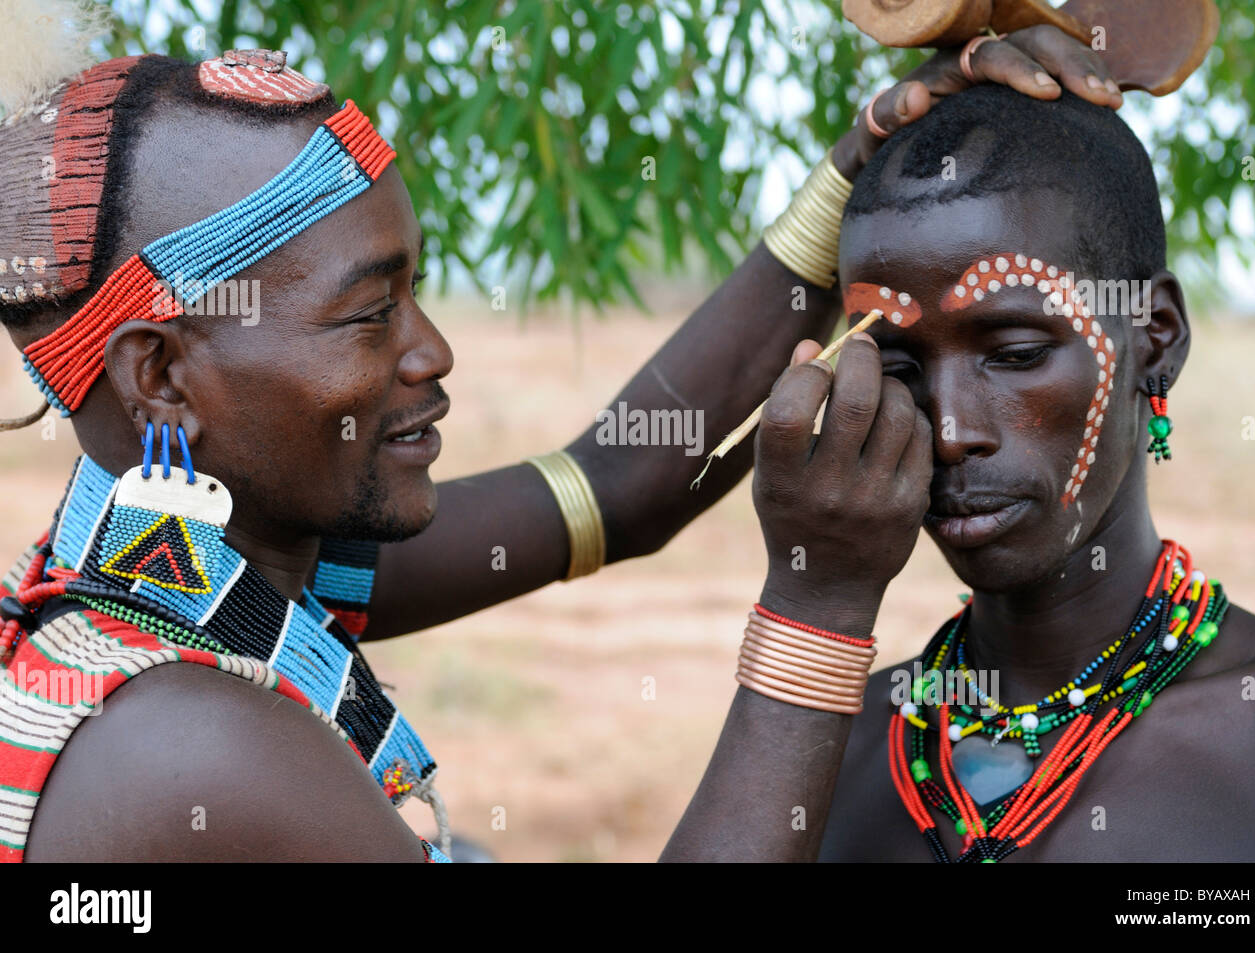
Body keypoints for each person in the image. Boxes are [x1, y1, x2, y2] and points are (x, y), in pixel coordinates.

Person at [0, 16, 1122, 861]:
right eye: (368, 312)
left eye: (418, 291)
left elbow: (612, 484)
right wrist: (820, 597)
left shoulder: (184, 571)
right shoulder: (188, 742)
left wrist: (853, 172)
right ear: (159, 375)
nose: (431, 353)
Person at [664, 76, 1255, 863]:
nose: (954, 429)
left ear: (1156, 336)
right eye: (896, 365)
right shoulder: (827, 742)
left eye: (1016, 354)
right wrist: (818, 601)